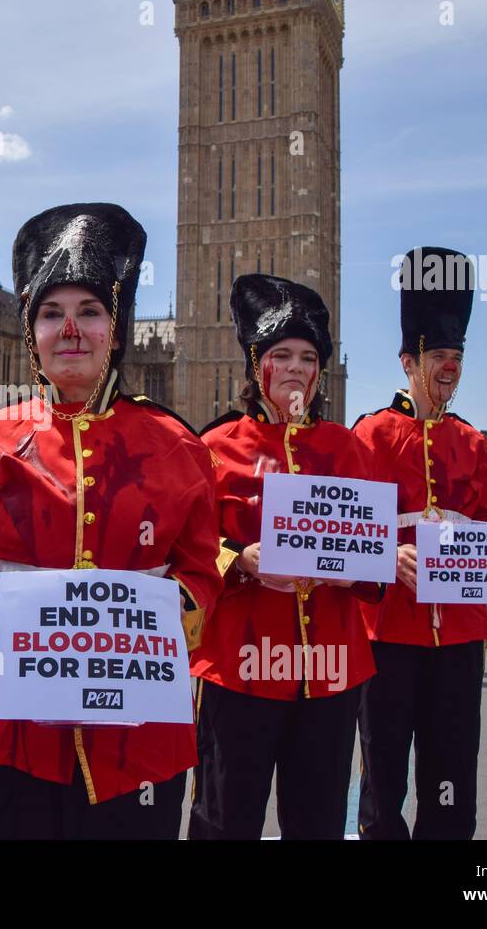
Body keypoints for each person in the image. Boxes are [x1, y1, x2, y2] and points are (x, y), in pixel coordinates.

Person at [0, 203, 222, 839]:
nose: (71, 330)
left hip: (136, 739)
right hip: (4, 730)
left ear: (115, 332)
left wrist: (178, 603)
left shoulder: (176, 446)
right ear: (31, 332)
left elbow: (203, 569)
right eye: (51, 314)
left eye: (89, 313)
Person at [188, 274, 382, 839]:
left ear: (320, 370)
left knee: (318, 822)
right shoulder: (215, 447)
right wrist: (240, 559)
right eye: (281, 355)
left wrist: (360, 571)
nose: (296, 368)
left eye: (307, 357)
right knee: (225, 818)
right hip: (240, 669)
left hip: (330, 673)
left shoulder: (347, 448)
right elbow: (190, 549)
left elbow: (373, 562)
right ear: (256, 365)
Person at [352, 247, 487, 840]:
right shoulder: (369, 434)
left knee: (451, 771)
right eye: (438, 355)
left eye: (457, 357)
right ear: (407, 361)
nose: (450, 367)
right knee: (383, 771)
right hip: (388, 631)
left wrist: (475, 545)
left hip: (461, 636)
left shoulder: (477, 444)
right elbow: (343, 533)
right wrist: (388, 554)